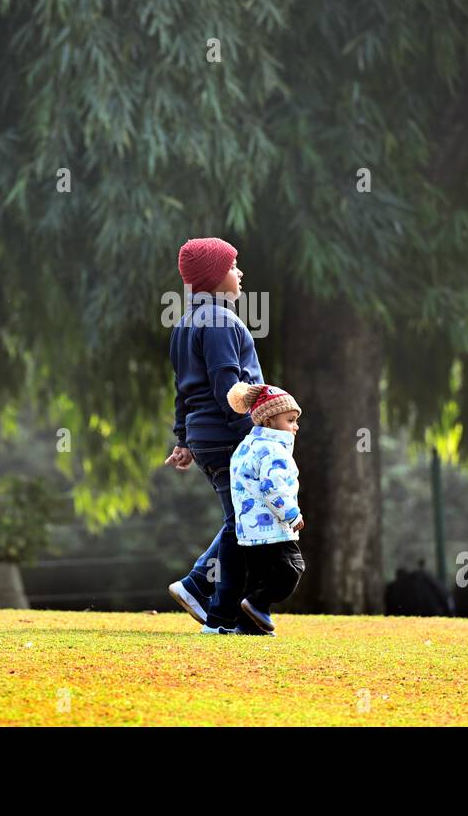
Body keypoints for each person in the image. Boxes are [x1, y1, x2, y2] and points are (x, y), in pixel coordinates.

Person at [163, 237, 264, 633]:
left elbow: (183, 389)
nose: (240, 273)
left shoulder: (184, 323)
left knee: (238, 519)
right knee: (241, 523)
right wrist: (253, 437)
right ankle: (204, 594)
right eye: (233, 266)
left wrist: (184, 439)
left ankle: (203, 591)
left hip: (206, 438)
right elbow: (228, 387)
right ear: (215, 276)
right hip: (229, 434)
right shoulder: (221, 321)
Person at [217, 382, 307, 636]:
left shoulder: (247, 446)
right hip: (272, 526)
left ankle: (248, 626)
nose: (295, 426)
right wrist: (291, 514)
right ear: (269, 421)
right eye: (290, 420)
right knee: (292, 567)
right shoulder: (273, 449)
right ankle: (257, 604)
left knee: (257, 577)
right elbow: (272, 487)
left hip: (249, 530)